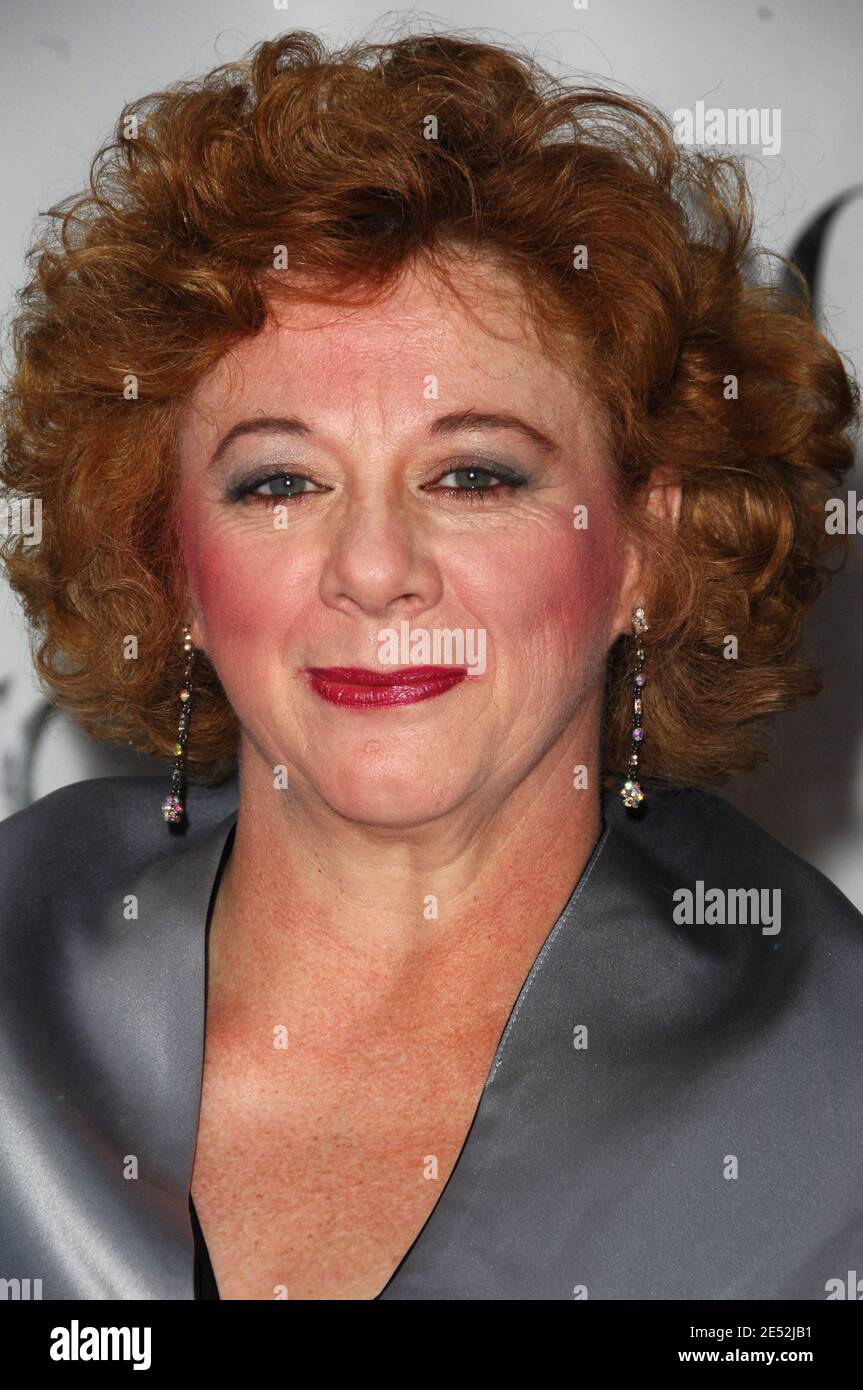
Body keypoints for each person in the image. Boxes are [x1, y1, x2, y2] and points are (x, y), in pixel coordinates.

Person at [0, 28, 860, 1302]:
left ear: (645, 547)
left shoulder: (825, 1093)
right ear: (170, 561)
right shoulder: (18, 976)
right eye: (279, 481)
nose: (372, 564)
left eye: (474, 473)